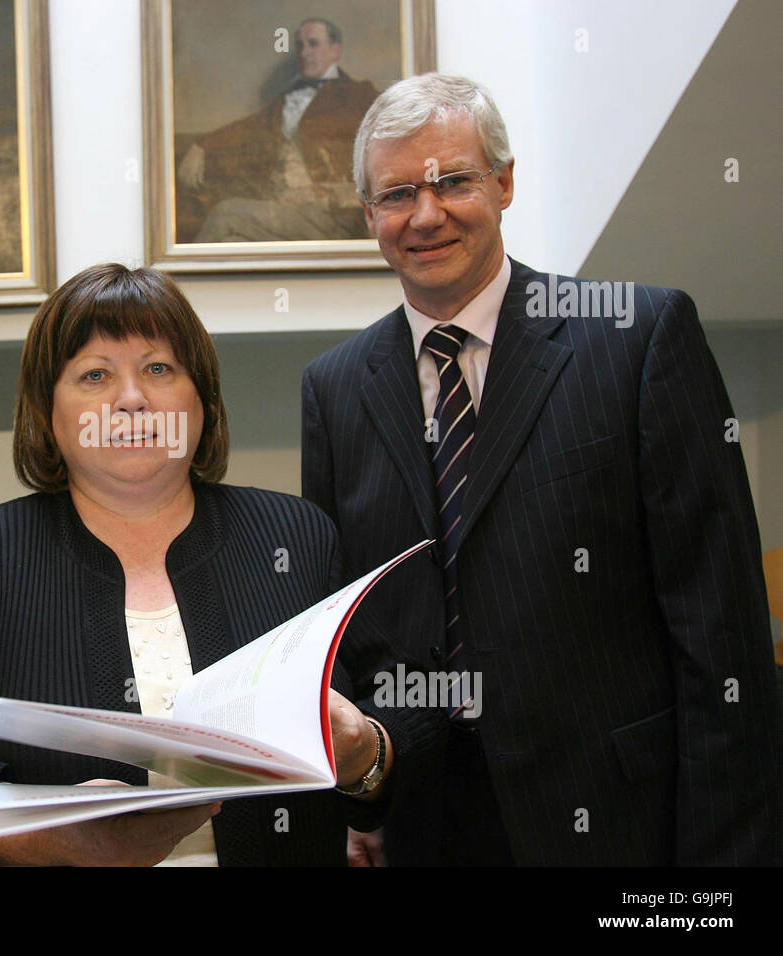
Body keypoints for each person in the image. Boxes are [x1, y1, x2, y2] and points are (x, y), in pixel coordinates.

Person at [301, 73, 783, 865]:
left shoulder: (636, 338)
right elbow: (350, 629)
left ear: (505, 182)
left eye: (453, 181)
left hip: (623, 820)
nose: (426, 214)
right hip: (429, 829)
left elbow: (719, 629)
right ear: (368, 216)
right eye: (396, 195)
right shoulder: (335, 387)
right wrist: (364, 802)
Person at [0, 263, 390, 866]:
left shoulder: (298, 537)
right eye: (95, 374)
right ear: (48, 413)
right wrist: (49, 832)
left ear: (202, 399)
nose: (130, 400)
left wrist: (366, 754)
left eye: (158, 368)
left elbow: (396, 735)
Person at [176, 17, 378, 243]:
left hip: (330, 211)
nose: (305, 52)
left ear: (335, 50)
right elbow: (247, 127)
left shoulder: (359, 94)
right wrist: (200, 145)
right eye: (300, 45)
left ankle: (169, 276)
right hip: (284, 206)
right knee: (231, 243)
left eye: (313, 44)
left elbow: (384, 142)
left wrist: (348, 194)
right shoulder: (286, 98)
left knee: (225, 214)